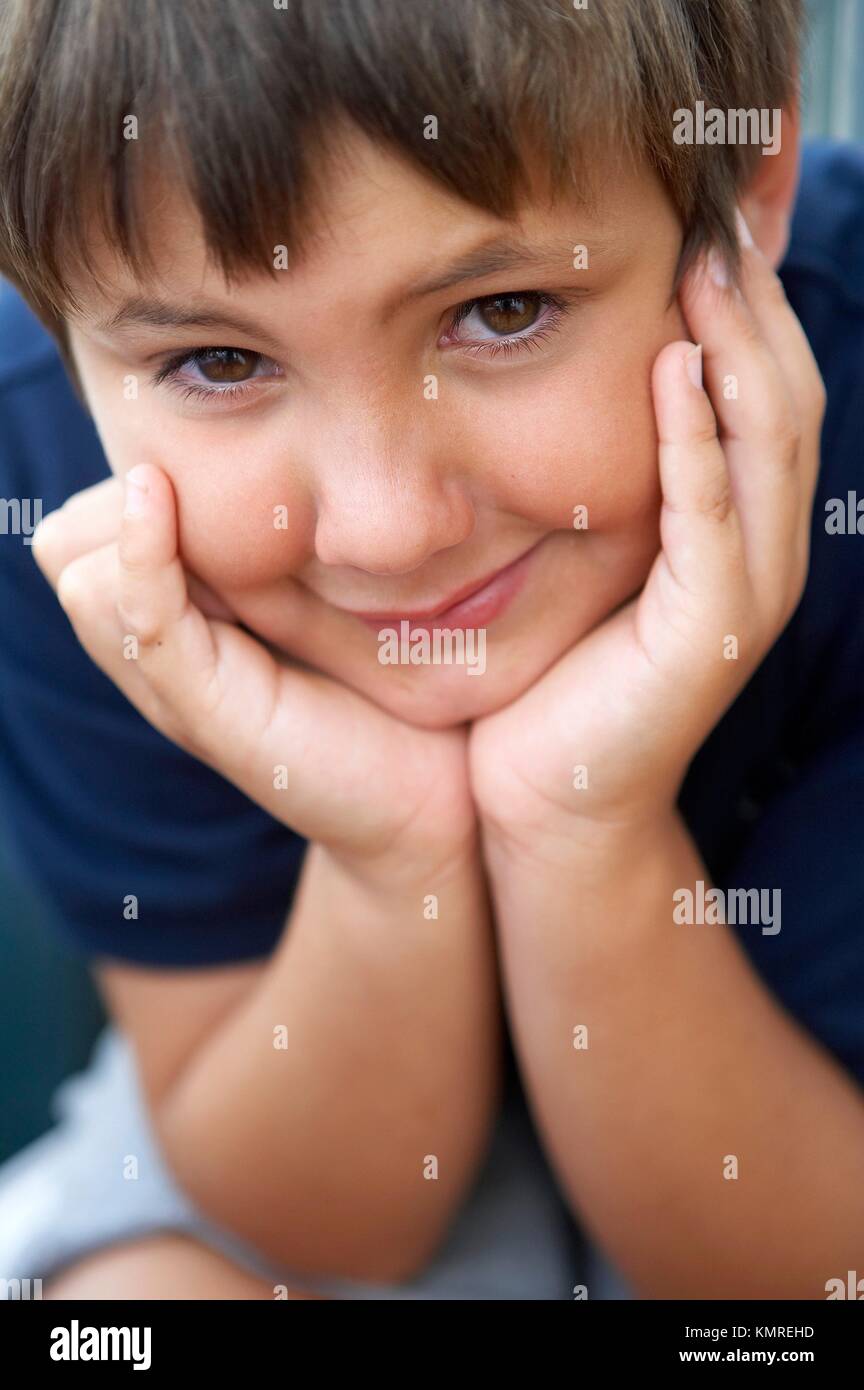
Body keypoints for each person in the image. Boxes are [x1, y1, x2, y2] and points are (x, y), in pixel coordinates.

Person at [0, 0, 862, 1300]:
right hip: (312, 1055)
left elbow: (804, 1261)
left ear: (748, 186)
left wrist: (581, 828)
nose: (388, 531)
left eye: (504, 309)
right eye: (220, 359)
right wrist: (390, 850)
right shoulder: (61, 471)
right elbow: (342, 1226)